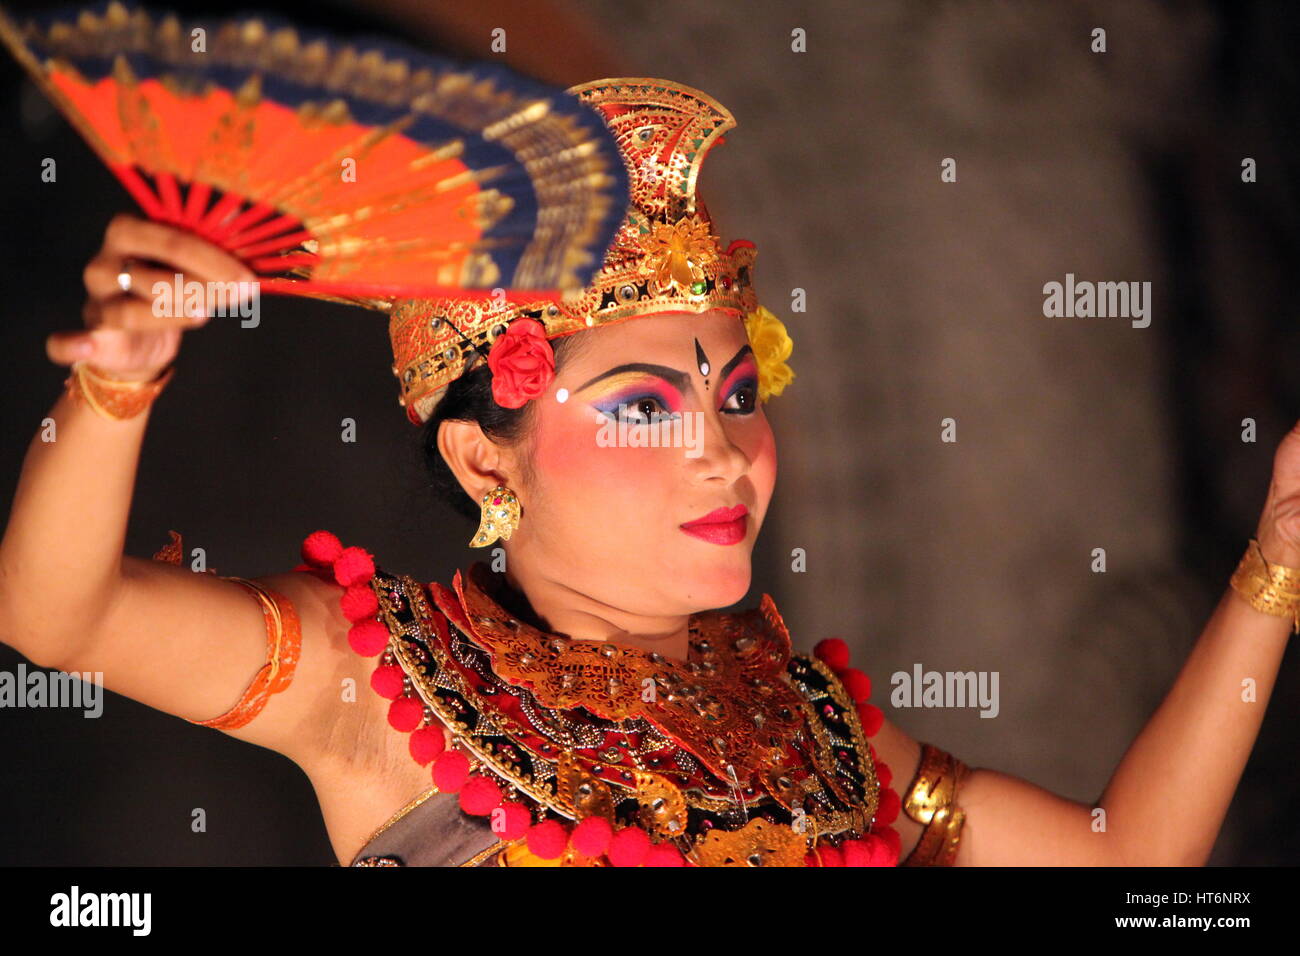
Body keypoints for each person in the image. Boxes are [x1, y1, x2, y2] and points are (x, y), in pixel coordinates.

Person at [2, 77, 1296, 867]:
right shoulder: (381, 684)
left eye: (740, 395)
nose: (722, 448)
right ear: (479, 455)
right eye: (642, 406)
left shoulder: (813, 732)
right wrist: (116, 381)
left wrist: (1278, 557)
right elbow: (57, 618)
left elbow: (1130, 852)